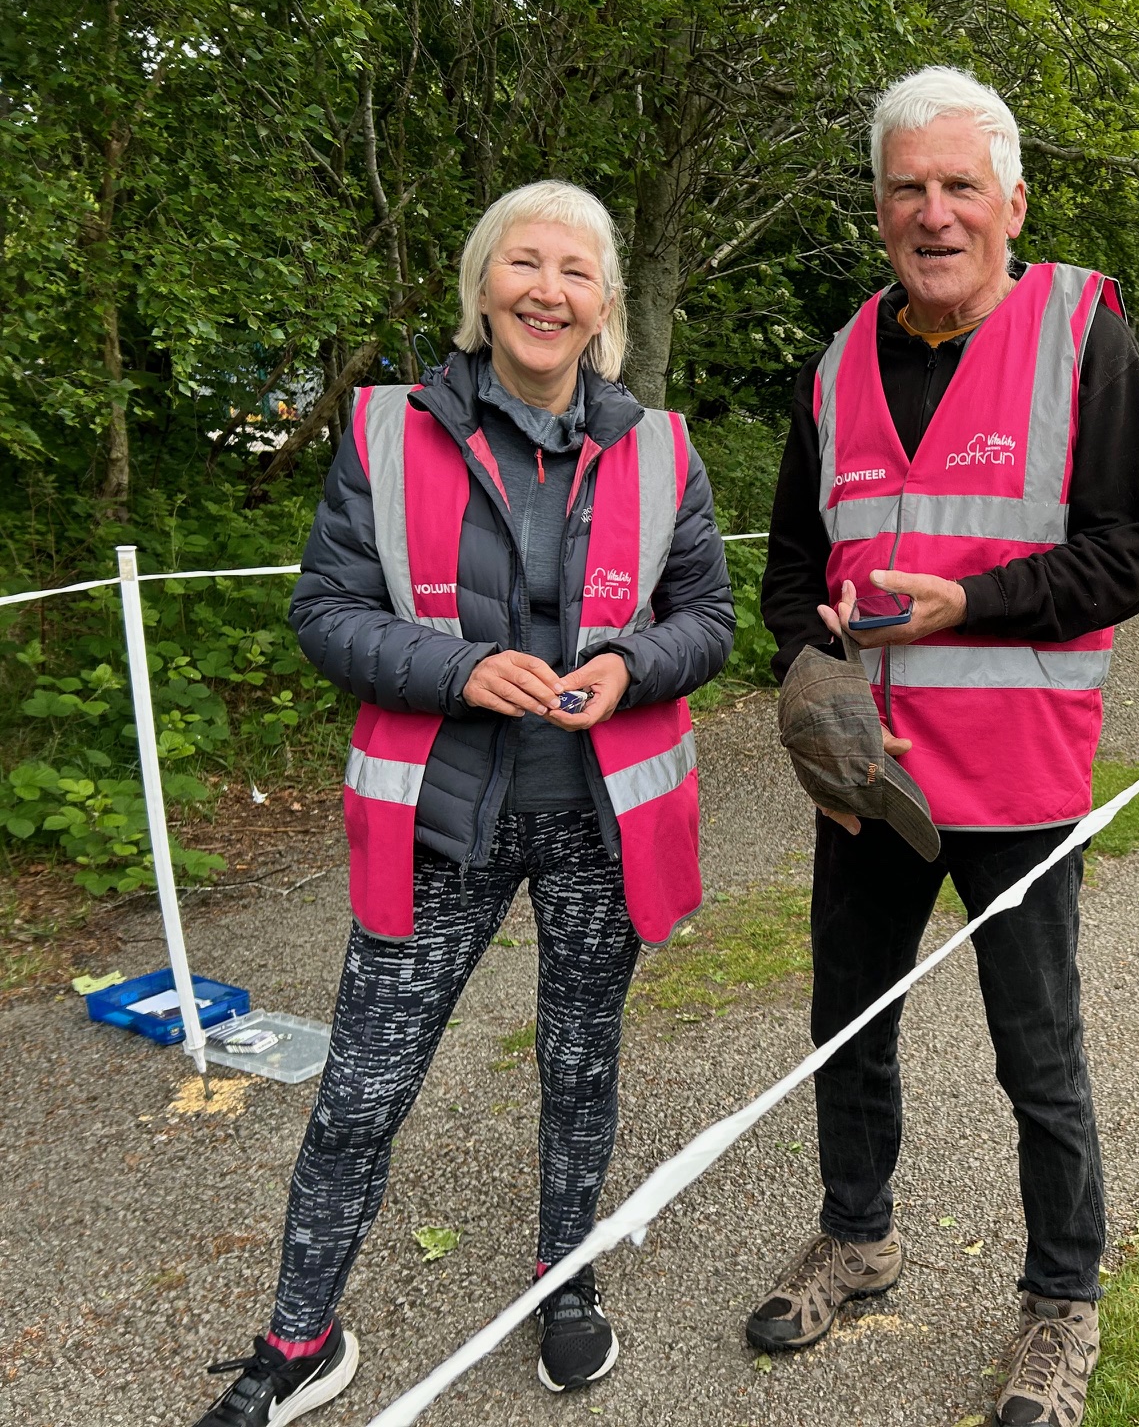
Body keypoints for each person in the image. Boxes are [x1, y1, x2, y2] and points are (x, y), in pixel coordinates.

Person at [194, 180, 735, 1427]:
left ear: (603, 306)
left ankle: (565, 1278)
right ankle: (299, 1338)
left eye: (576, 271)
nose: (548, 290)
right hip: (445, 819)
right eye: (523, 265)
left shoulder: (662, 447)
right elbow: (325, 612)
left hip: (601, 824)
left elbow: (705, 619)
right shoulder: (388, 430)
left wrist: (632, 666)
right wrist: (456, 669)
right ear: (481, 287)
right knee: (363, 1093)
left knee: (578, 1064)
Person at [753, 66, 1139, 1427]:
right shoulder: (834, 363)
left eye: (959, 187)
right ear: (880, 210)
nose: (934, 214)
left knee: (1035, 1051)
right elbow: (789, 574)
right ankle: (856, 1239)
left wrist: (968, 600)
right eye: (907, 189)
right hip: (866, 775)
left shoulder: (1079, 329)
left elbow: (1128, 558)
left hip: (1018, 773)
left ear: (1011, 203)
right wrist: (806, 676)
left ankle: (1061, 1307)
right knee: (846, 1027)